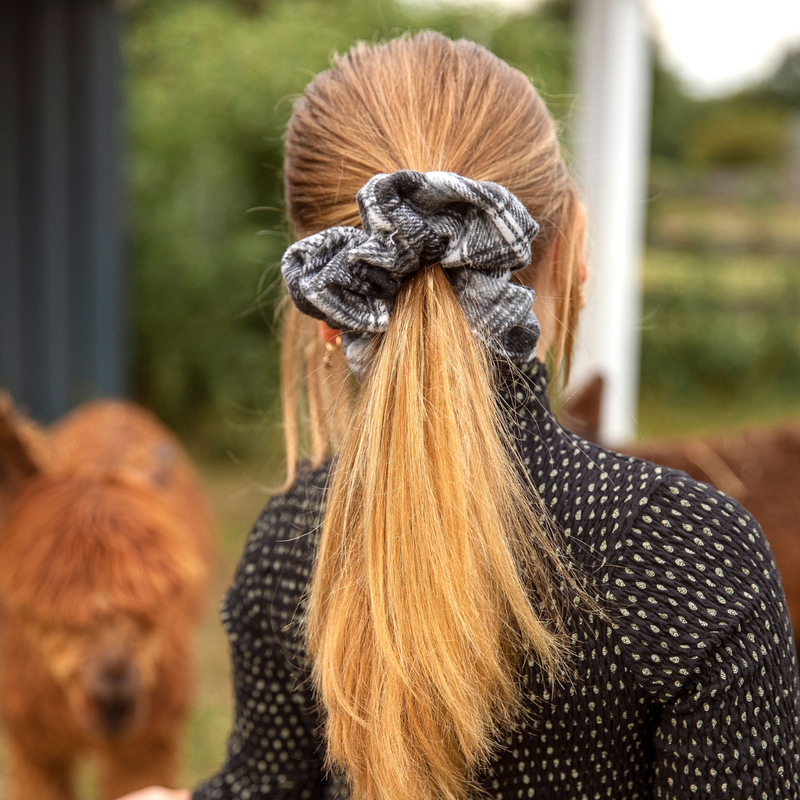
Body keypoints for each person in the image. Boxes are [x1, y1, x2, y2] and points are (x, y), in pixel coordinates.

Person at [120, 31, 800, 800]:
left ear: (326, 304)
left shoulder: (292, 551)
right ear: (574, 248)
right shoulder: (694, 554)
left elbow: (265, 786)